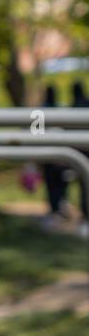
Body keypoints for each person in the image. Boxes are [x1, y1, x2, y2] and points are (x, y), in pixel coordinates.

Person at [41, 84, 69, 228]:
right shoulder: (63, 109)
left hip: (48, 156)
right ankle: (61, 206)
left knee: (51, 184)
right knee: (62, 183)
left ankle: (55, 210)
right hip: (62, 155)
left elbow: (35, 135)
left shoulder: (40, 111)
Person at [73, 80, 89, 237]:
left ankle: (85, 215)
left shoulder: (73, 107)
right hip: (81, 153)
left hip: (80, 152)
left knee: (84, 186)